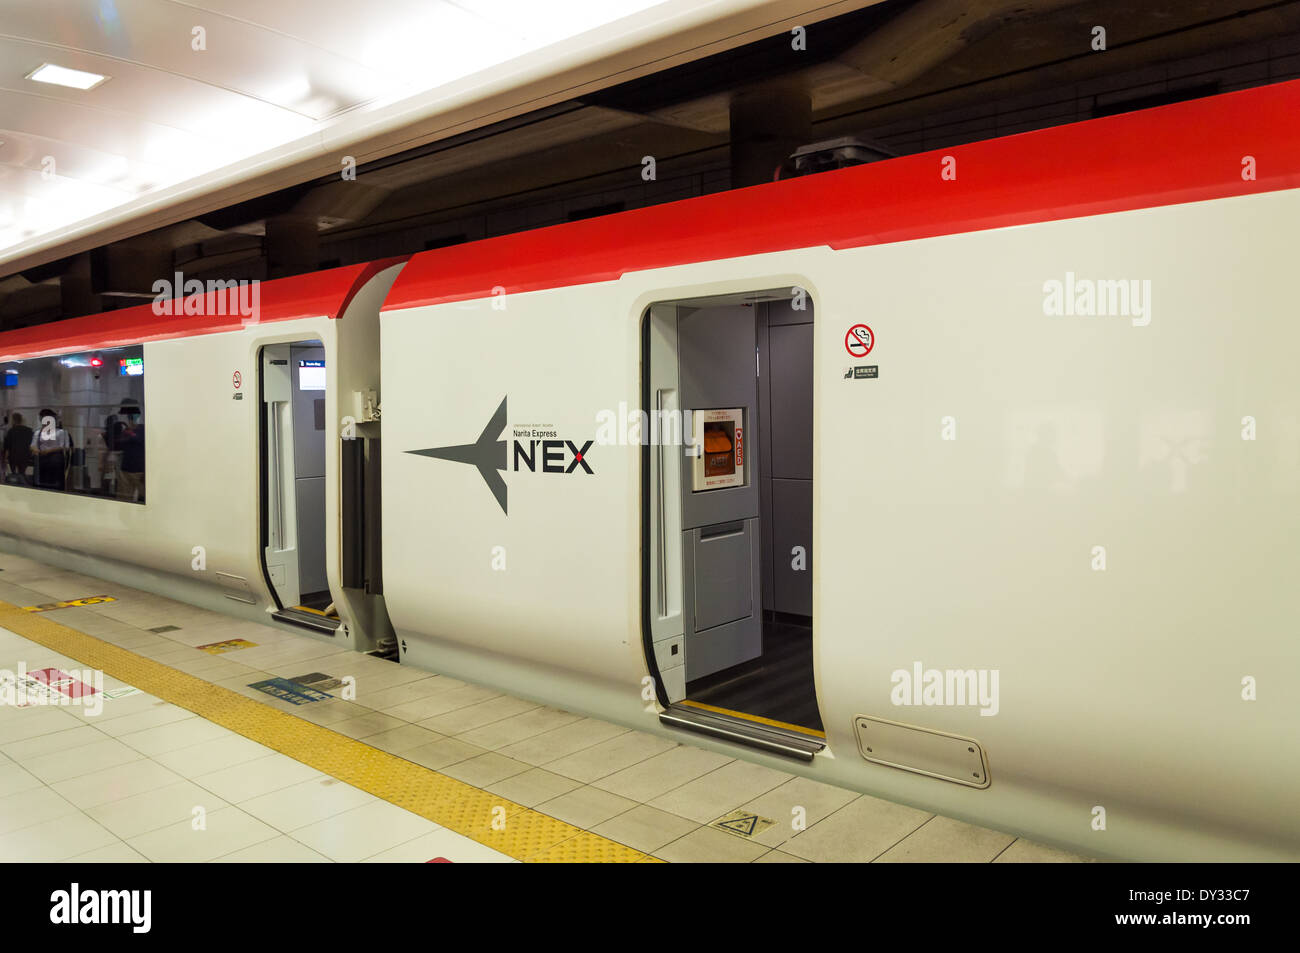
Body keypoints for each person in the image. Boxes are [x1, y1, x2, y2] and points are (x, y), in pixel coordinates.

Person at [32, 408, 70, 491]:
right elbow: (33, 445)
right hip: (41, 461)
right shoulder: (38, 433)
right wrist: (35, 450)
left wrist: (49, 450)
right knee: (42, 486)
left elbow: (66, 447)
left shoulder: (61, 432)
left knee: (55, 485)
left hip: (55, 462)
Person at [116, 405, 145, 503]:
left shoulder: (142, 429)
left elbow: (139, 440)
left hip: (139, 471)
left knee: (144, 498)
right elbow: (119, 444)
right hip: (125, 470)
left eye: (131, 417)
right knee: (124, 499)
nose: (130, 419)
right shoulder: (126, 431)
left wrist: (130, 433)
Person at [2, 412, 33, 485]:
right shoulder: (29, 430)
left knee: (13, 473)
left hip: (13, 455)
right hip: (25, 454)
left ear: (13, 420)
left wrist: (5, 457)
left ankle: (16, 483)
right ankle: (23, 483)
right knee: (22, 471)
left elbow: (7, 445)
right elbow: (32, 443)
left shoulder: (11, 431)